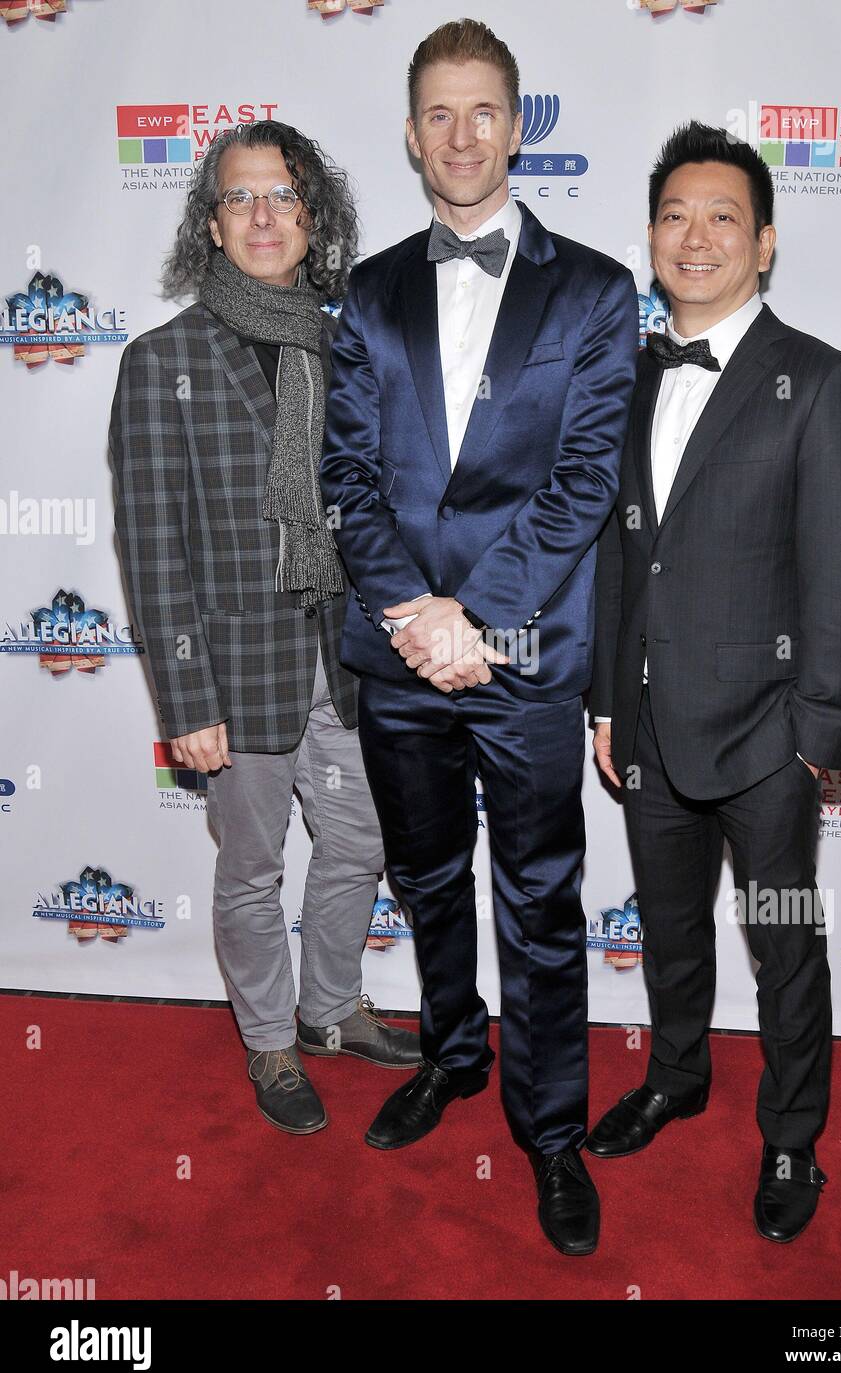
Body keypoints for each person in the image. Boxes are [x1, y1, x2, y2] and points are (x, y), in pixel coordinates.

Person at [321, 20, 638, 1255]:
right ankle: (452, 1052)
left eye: (484, 112)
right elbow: (346, 472)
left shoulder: (599, 291)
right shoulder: (368, 288)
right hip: (400, 649)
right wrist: (419, 616)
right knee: (429, 876)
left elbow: (579, 482)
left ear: (520, 125)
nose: (462, 136)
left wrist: (478, 618)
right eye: (438, 115)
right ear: (411, 136)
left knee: (541, 899)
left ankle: (550, 1128)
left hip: (522, 652)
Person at [589, 121, 841, 1242]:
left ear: (763, 242)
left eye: (721, 218)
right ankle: (674, 1076)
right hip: (651, 730)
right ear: (651, 236)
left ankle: (793, 1136)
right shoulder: (625, 377)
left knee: (780, 940)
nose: (695, 237)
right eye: (673, 216)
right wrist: (608, 701)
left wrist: (820, 737)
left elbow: (839, 579)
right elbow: (623, 556)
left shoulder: (822, 384)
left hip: (767, 740)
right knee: (669, 927)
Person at [109, 119, 421, 1138]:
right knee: (250, 867)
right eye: (241, 197)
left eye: (282, 195)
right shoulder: (164, 360)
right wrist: (184, 701)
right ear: (211, 222)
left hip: (349, 656)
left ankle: (332, 1010)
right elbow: (153, 547)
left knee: (361, 838)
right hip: (235, 669)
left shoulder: (351, 346)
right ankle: (271, 1040)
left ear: (311, 218)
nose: (262, 215)